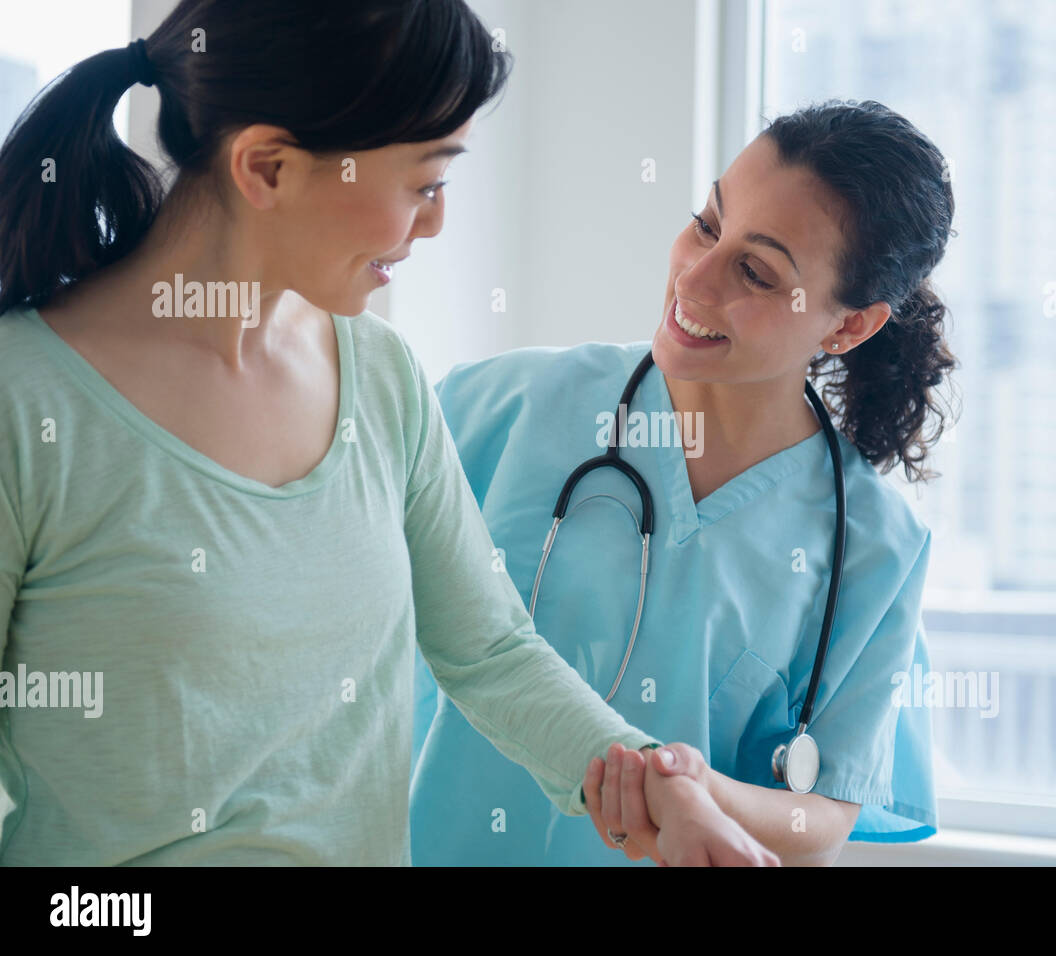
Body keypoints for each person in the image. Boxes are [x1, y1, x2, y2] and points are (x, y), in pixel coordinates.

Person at [0, 0, 778, 866]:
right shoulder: (23, 402)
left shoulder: (380, 378)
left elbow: (490, 652)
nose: (437, 221)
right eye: (424, 182)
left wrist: (657, 785)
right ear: (268, 168)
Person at [410, 99, 958, 866]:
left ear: (849, 326)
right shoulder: (493, 407)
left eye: (756, 272)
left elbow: (822, 816)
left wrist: (693, 786)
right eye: (706, 224)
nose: (694, 278)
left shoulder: (874, 546)